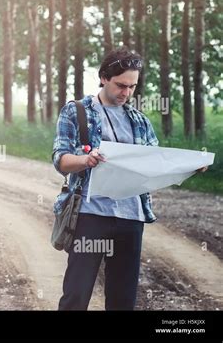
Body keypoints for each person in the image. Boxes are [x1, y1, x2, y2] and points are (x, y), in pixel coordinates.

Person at [52, 46, 206, 311]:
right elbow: (60, 159)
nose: (126, 93)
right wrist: (85, 160)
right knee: (76, 296)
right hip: (90, 216)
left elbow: (157, 163)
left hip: (131, 219)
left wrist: (191, 166)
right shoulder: (76, 111)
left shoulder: (140, 120)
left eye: (132, 87)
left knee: (123, 301)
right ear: (103, 77)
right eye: (121, 85)